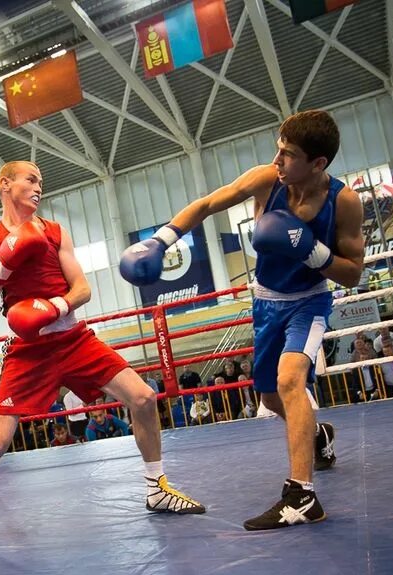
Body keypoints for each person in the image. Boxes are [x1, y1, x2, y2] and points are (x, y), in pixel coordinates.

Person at [120, 110, 364, 531]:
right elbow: (209, 203)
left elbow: (354, 272)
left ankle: (301, 496)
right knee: (270, 399)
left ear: (318, 163)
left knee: (292, 382)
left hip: (308, 302)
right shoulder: (267, 179)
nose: (278, 159)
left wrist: (309, 250)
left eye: (288, 154)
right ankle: (318, 437)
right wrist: (161, 240)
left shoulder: (343, 202)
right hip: (266, 302)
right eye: (278, 148)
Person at [0, 161, 205, 546]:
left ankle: (156, 487)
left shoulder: (55, 231)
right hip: (29, 351)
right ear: (5, 184)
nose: (38, 187)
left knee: (144, 397)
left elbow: (82, 288)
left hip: (73, 339)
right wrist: (6, 261)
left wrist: (54, 308)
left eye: (41, 181)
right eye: (31, 180)